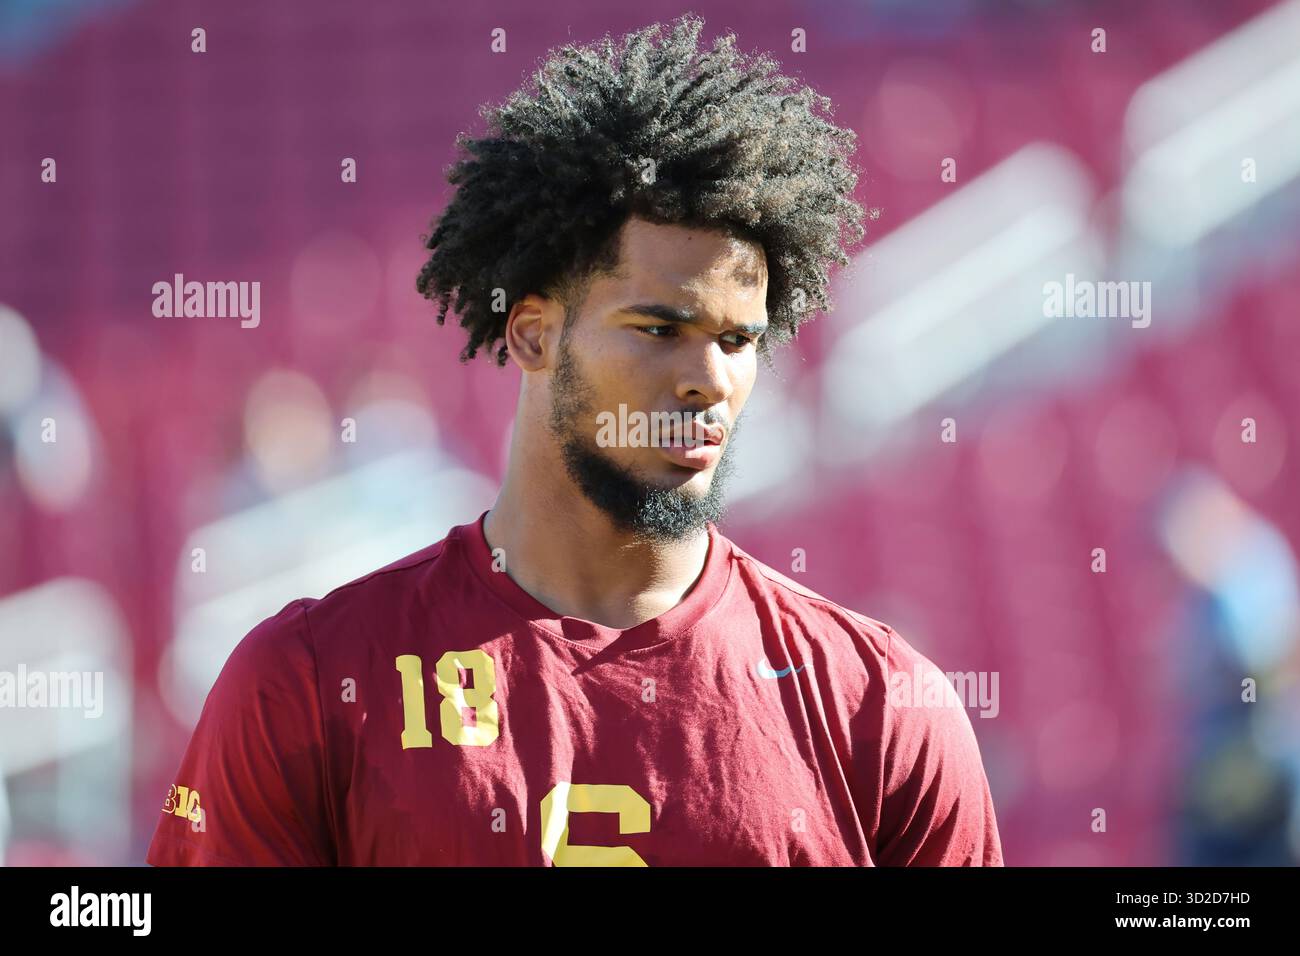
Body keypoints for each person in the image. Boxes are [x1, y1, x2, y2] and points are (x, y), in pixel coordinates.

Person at [148, 14, 1002, 867]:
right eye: (658, 329)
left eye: (738, 340)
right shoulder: (305, 681)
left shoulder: (883, 705)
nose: (708, 377)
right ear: (531, 336)